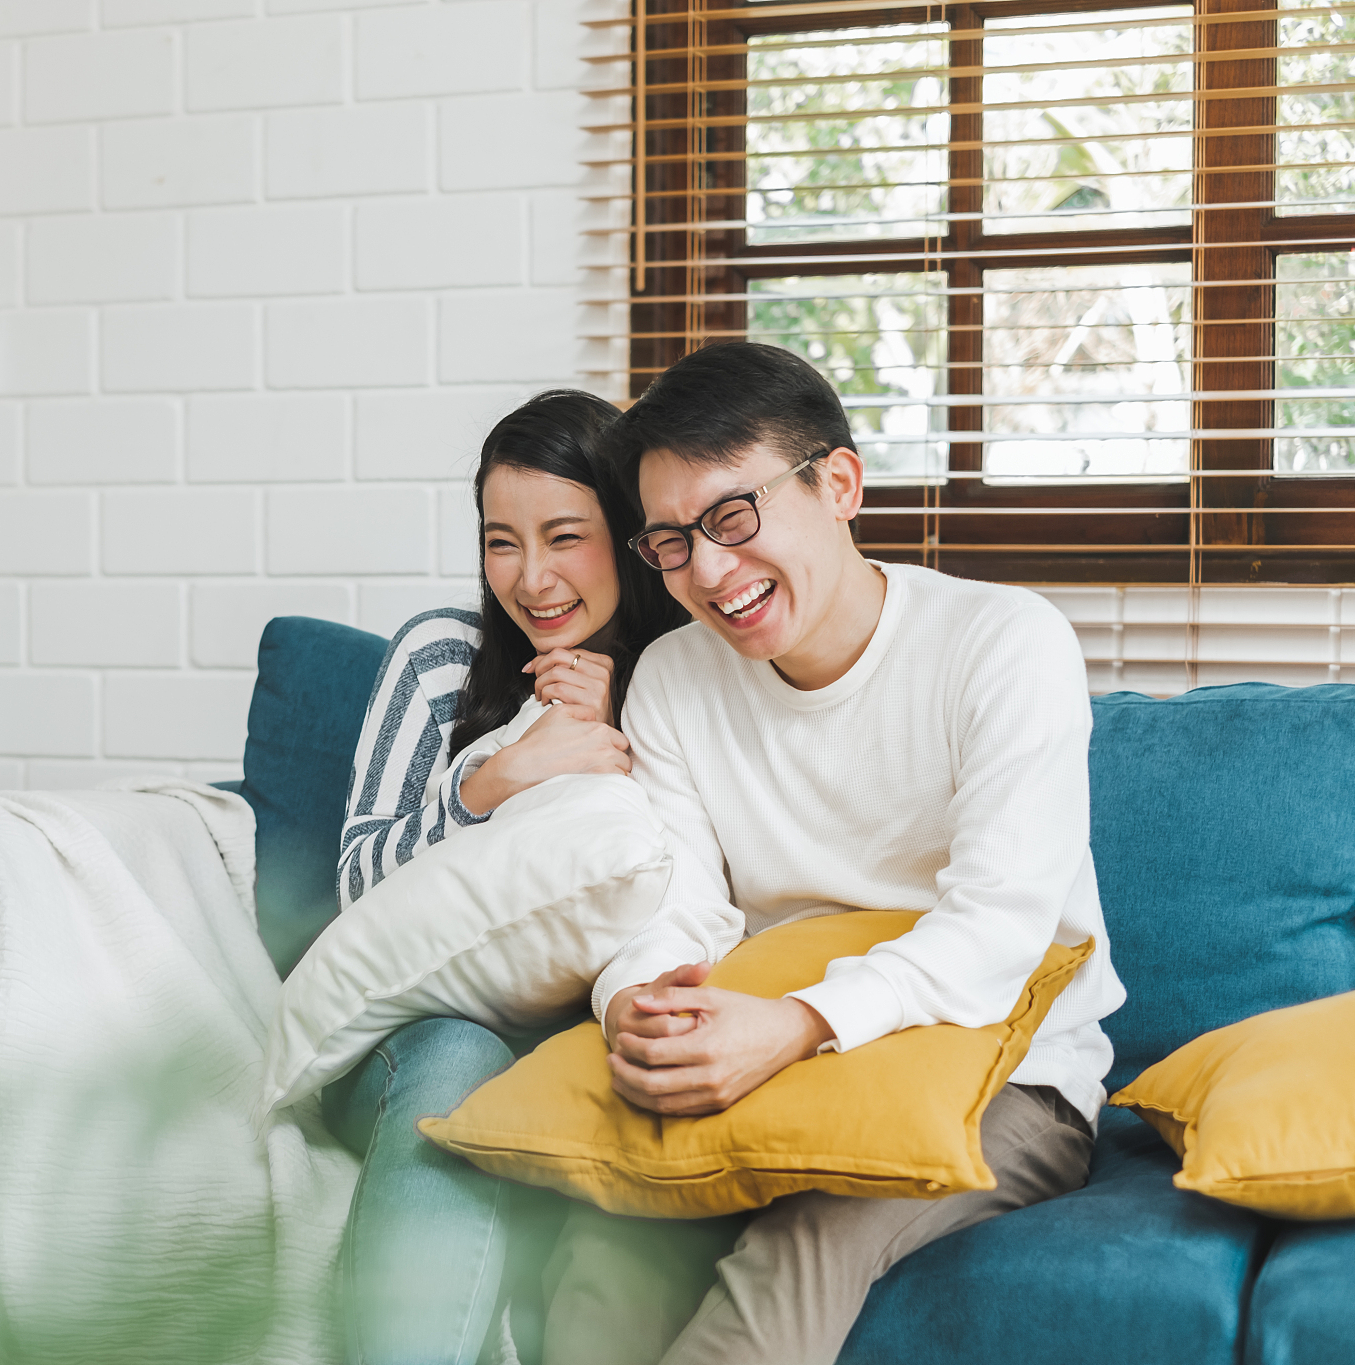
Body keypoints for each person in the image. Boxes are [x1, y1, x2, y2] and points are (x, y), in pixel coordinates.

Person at [540, 343, 1127, 1365]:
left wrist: (798, 1023)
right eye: (671, 543)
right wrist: (647, 999)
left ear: (838, 483)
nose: (709, 572)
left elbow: (997, 927)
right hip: (773, 1058)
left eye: (731, 518)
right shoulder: (674, 679)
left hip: (1005, 1078)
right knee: (606, 1251)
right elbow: (672, 903)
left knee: (794, 1255)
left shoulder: (1002, 642)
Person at [321, 389, 690, 1365]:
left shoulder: (683, 682)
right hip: (413, 1041)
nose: (530, 579)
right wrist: (492, 781)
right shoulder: (440, 656)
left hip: (586, 1044)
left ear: (628, 535)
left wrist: (626, 732)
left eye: (563, 536)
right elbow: (355, 884)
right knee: (457, 1061)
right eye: (501, 541)